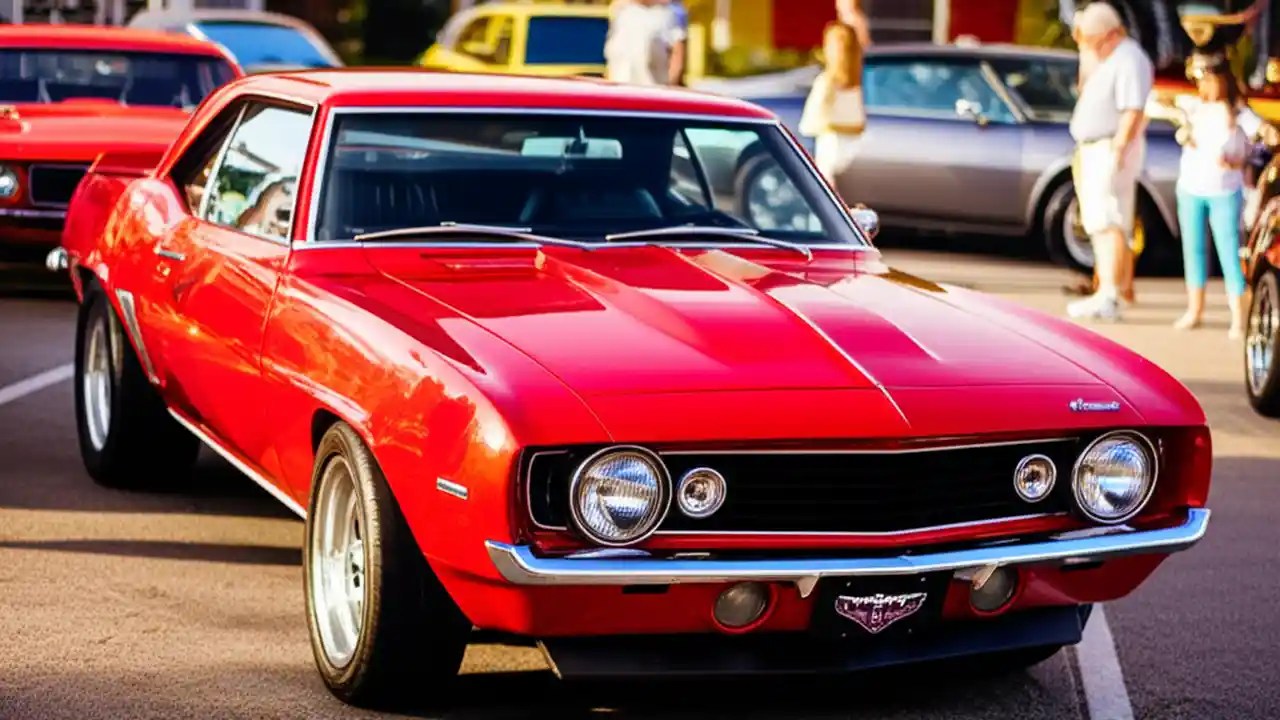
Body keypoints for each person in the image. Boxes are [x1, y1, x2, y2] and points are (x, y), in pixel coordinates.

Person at [1147, 66, 1253, 337]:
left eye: (1210, 78)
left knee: (1228, 250)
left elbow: (1258, 141)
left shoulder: (1239, 113)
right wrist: (1174, 113)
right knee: (1193, 250)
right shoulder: (1193, 107)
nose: (1204, 84)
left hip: (1224, 189)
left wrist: (1236, 161)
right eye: (1202, 79)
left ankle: (1239, 313)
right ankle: (1195, 309)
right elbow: (1153, 103)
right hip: (1191, 187)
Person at [1066, 2, 1154, 322]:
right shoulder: (1109, 57)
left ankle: (1111, 294)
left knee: (1109, 222)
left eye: (1094, 41)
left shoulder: (1129, 58)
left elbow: (1133, 109)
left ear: (1111, 34)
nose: (1091, 48)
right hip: (1097, 146)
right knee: (1101, 223)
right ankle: (1108, 290)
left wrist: (1118, 150)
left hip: (1110, 147)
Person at [799, 21, 867, 187]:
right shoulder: (863, 84)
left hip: (830, 153)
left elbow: (807, 125)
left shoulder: (826, 83)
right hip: (858, 155)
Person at [605, 0, 687, 87]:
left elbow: (677, 58)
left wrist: (668, 89)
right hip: (619, 92)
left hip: (653, 93)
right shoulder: (621, 10)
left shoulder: (671, 13)